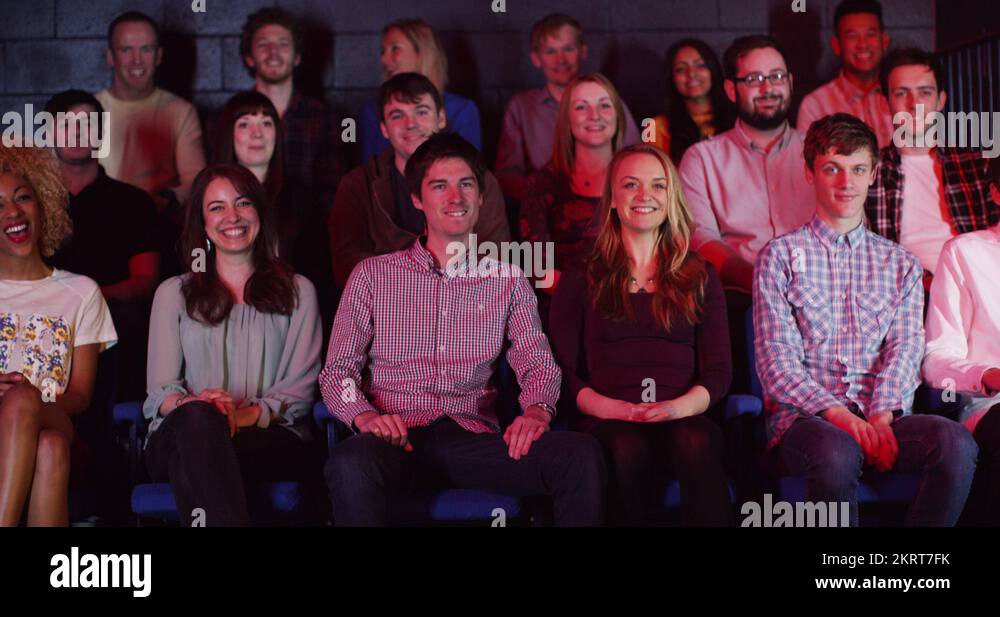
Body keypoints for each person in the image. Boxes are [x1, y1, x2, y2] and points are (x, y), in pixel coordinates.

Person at [321, 133, 606, 526]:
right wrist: (364, 417)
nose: (455, 197)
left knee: (579, 453)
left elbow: (537, 363)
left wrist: (538, 410)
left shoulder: (506, 278)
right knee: (349, 462)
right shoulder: (372, 275)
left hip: (472, 438)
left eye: (466, 184)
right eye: (440, 186)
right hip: (394, 439)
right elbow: (338, 372)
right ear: (418, 200)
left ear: (482, 197)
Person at [754, 113, 977, 526]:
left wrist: (880, 416)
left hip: (885, 417)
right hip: (811, 422)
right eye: (831, 169)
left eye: (858, 169)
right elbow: (776, 364)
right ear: (809, 173)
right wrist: (844, 418)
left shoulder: (901, 264)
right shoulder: (779, 257)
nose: (846, 182)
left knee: (955, 442)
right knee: (837, 452)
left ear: (874, 174)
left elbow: (906, 350)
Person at [549, 144, 733, 526]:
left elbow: (718, 373)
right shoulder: (583, 274)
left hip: (684, 414)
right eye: (630, 185)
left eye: (657, 186)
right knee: (626, 445)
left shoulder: (700, 274)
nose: (644, 195)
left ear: (671, 198)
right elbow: (561, 372)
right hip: (609, 419)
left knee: (694, 440)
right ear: (613, 199)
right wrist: (613, 409)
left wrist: (674, 408)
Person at [143, 163, 322, 527]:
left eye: (242, 203)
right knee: (196, 423)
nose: (232, 217)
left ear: (259, 211)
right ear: (202, 224)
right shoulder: (173, 294)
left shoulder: (299, 291)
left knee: (202, 441)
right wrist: (199, 408)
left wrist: (233, 418)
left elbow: (300, 394)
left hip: (267, 438)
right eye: (217, 207)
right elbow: (160, 395)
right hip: (182, 434)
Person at [679, 34, 815, 394]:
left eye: (777, 76)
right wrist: (759, 279)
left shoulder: (820, 153)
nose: (768, 87)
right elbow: (700, 238)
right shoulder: (702, 158)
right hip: (741, 297)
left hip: (818, 293)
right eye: (754, 79)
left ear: (791, 82)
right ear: (730, 89)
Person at [0, 145, 117, 526]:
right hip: (46, 442)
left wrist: (29, 399)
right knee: (48, 449)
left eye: (22, 198)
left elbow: (81, 396)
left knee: (27, 407)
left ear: (42, 204)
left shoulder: (82, 292)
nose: (13, 212)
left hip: (58, 418)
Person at [328, 72, 509, 288]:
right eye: (397, 116)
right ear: (384, 128)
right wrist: (415, 289)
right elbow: (347, 265)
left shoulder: (479, 179)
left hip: (465, 308)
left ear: (441, 118)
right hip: (385, 309)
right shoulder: (358, 184)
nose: (410, 124)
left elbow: (495, 257)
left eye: (421, 112)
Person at [45, 90, 158, 403]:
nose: (78, 133)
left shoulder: (133, 202)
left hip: (112, 314)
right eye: (67, 124)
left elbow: (146, 280)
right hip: (47, 314)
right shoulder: (32, 203)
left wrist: (91, 300)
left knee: (128, 322)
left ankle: (125, 431)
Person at [866, 47, 999, 291]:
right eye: (901, 93)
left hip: (977, 290)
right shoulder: (869, 173)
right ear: (886, 102)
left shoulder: (976, 163)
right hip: (906, 299)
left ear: (941, 100)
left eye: (924, 93)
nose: (913, 104)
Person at [214, 90, 335, 331]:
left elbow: (318, 275)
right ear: (230, 134)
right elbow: (196, 264)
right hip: (224, 313)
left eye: (266, 123)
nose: (257, 133)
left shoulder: (301, 199)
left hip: (289, 314)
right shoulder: (208, 195)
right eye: (245, 124)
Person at [922, 156, 1000, 525]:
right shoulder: (964, 252)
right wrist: (986, 373)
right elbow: (937, 356)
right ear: (996, 194)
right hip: (991, 406)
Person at [496, 13, 642, 202]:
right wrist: (543, 196)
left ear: (582, 51)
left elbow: (637, 160)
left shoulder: (613, 103)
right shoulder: (521, 107)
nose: (560, 59)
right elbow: (506, 176)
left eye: (568, 49)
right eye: (550, 51)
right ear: (536, 58)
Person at [518, 73, 628, 296]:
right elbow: (538, 270)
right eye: (581, 107)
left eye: (604, 105)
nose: (594, 115)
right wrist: (588, 300)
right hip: (565, 304)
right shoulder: (541, 184)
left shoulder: (639, 178)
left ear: (618, 115)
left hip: (633, 301)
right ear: (566, 119)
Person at [95, 11, 206, 209]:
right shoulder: (88, 113)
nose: (136, 60)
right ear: (110, 57)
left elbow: (195, 180)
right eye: (126, 50)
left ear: (158, 56)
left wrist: (162, 200)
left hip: (161, 222)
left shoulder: (181, 111)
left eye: (146, 49)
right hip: (102, 223)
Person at [237, 7, 340, 207]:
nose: (273, 53)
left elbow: (333, 194)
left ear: (297, 57)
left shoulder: (325, 118)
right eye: (263, 44)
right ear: (249, 57)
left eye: (283, 44)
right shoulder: (227, 117)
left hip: (309, 231)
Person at [357, 19, 481, 162]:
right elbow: (370, 173)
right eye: (383, 51)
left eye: (395, 48)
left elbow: (471, 174)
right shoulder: (371, 111)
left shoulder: (462, 110)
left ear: (422, 52)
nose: (384, 59)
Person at [796, 0, 893, 148]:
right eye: (852, 36)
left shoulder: (904, 95)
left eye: (870, 34)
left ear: (884, 41)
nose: (863, 44)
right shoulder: (815, 105)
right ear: (836, 45)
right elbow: (808, 166)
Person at [651, 39, 736, 164]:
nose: (691, 74)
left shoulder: (739, 120)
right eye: (681, 69)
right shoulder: (655, 127)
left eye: (700, 65)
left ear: (713, 70)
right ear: (671, 78)